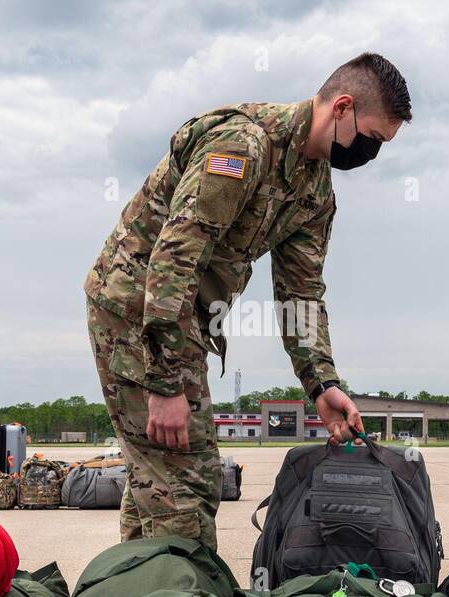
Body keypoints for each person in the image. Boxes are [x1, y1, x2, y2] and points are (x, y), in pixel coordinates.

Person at [85, 53, 412, 549]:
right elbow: (175, 259)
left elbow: (301, 292)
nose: (371, 154)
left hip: (180, 320)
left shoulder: (314, 190)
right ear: (342, 107)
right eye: (372, 139)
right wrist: (166, 382)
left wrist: (321, 383)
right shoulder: (243, 146)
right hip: (135, 312)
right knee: (188, 482)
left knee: (158, 481)